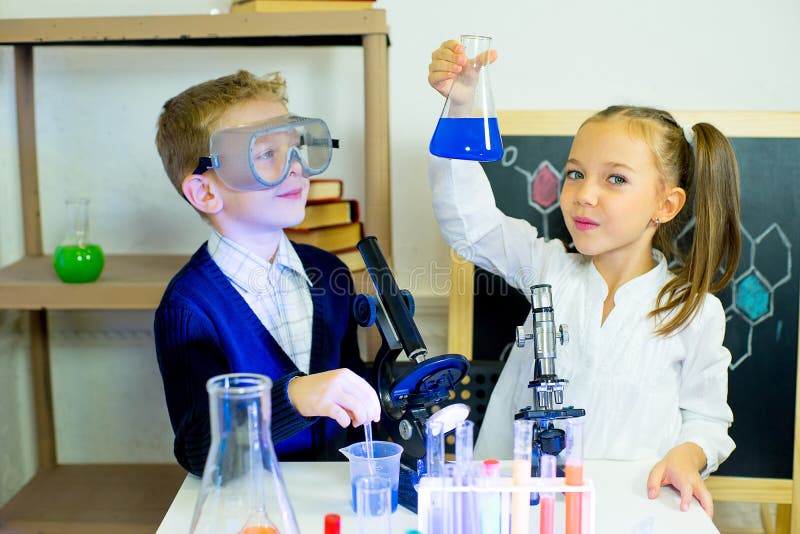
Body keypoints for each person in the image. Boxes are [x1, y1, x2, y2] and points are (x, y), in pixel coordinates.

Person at [427, 40, 741, 517]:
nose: (584, 195)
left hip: (632, 508)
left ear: (666, 205)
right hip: (518, 504)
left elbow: (706, 419)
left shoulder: (694, 312)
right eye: (575, 174)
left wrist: (687, 455)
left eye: (615, 179)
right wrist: (461, 106)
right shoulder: (547, 268)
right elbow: (469, 224)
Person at [153, 70, 381, 476]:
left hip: (332, 495)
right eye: (265, 154)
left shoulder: (329, 272)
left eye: (295, 149)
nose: (295, 168)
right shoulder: (189, 308)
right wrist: (293, 398)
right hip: (250, 504)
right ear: (205, 191)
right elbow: (198, 447)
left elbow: (353, 397)